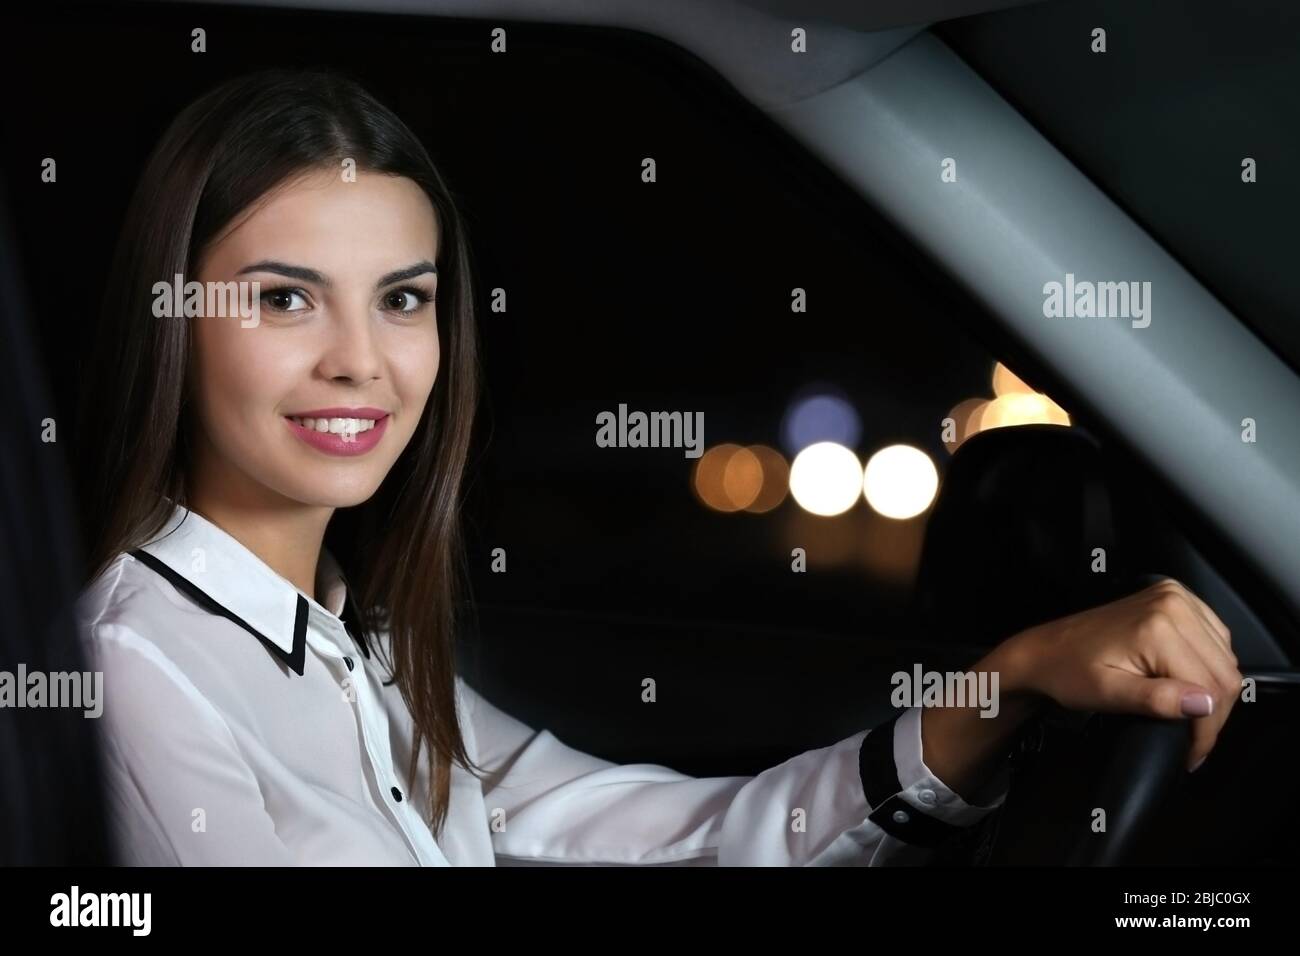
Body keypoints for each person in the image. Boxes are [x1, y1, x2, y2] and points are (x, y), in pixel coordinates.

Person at [73, 69, 1241, 866]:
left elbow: (667, 837)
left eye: (403, 300)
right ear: (174, 314)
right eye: (286, 297)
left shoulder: (358, 638)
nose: (360, 363)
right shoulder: (136, 662)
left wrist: (1006, 683)